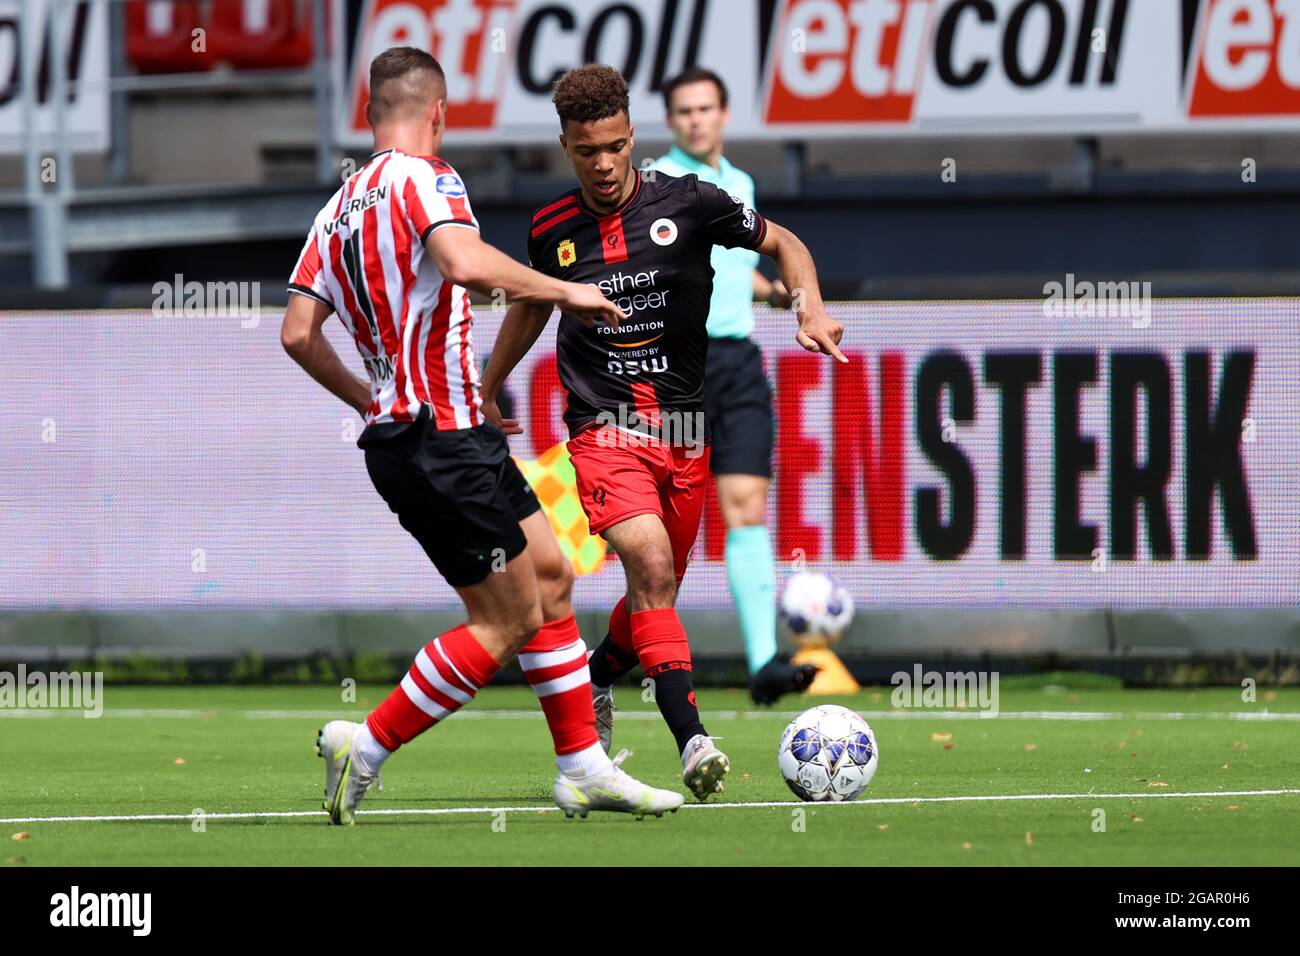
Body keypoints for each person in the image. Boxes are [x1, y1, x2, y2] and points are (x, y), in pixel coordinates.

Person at [281, 47, 682, 825]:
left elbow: (298, 333)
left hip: (448, 431)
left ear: (370, 113)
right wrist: (567, 289)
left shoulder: (337, 208)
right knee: (505, 620)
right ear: (437, 112)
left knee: (553, 573)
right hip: (439, 444)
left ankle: (583, 768)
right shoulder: (428, 178)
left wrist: (373, 397)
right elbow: (463, 265)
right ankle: (360, 747)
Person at [480, 65, 845, 801]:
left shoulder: (693, 201)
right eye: (588, 152)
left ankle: (592, 674)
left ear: (631, 136)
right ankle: (693, 741)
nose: (605, 165)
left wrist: (808, 308)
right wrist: (489, 384)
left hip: (684, 430)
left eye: (615, 147)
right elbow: (532, 304)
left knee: (659, 588)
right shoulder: (552, 228)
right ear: (565, 146)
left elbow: (785, 244)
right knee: (648, 566)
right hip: (602, 427)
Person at [650, 67, 818, 706]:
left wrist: (773, 291)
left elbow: (732, 263)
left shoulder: (740, 183)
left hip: (737, 366)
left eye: (706, 108)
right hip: (676, 369)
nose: (696, 119)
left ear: (723, 114)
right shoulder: (657, 183)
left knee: (747, 506)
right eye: (685, 110)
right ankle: (639, 659)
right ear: (671, 122)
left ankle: (763, 662)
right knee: (665, 530)